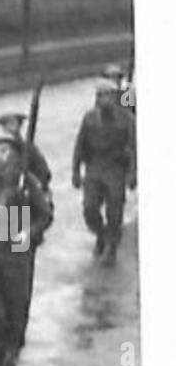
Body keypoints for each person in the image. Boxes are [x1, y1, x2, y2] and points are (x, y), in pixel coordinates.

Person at [0, 133, 53, 366]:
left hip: (17, 254)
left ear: (15, 154)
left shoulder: (27, 181)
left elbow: (44, 215)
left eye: (5, 151)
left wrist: (28, 232)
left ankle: (10, 354)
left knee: (17, 303)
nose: (0, 157)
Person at [71, 79, 137, 267]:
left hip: (115, 168)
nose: (103, 100)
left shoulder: (127, 119)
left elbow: (133, 148)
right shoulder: (90, 118)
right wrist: (76, 171)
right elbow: (79, 145)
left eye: (107, 95)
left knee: (115, 211)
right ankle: (101, 234)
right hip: (94, 166)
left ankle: (110, 248)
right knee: (89, 209)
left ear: (114, 97)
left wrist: (132, 173)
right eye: (99, 96)